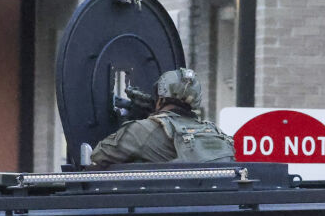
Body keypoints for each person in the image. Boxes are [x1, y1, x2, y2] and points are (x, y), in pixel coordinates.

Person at [88, 68, 236, 166]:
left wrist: (136, 119)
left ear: (160, 98)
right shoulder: (214, 131)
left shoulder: (143, 130)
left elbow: (99, 155)